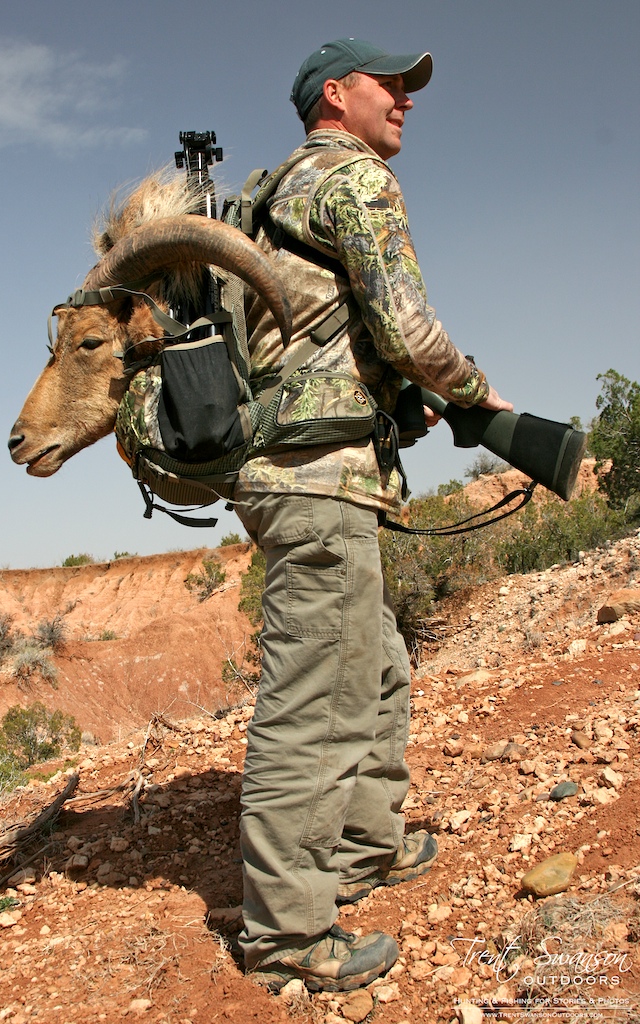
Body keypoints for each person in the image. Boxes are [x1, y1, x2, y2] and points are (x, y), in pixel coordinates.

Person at [232, 38, 513, 993]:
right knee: (308, 708)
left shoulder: (272, 195)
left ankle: (362, 848)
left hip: (311, 475)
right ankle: (286, 936)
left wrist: (397, 399)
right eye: (389, 85)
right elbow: (406, 325)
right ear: (335, 96)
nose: (405, 99)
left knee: (378, 665)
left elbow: (333, 339)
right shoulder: (354, 184)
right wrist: (481, 397)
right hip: (316, 483)